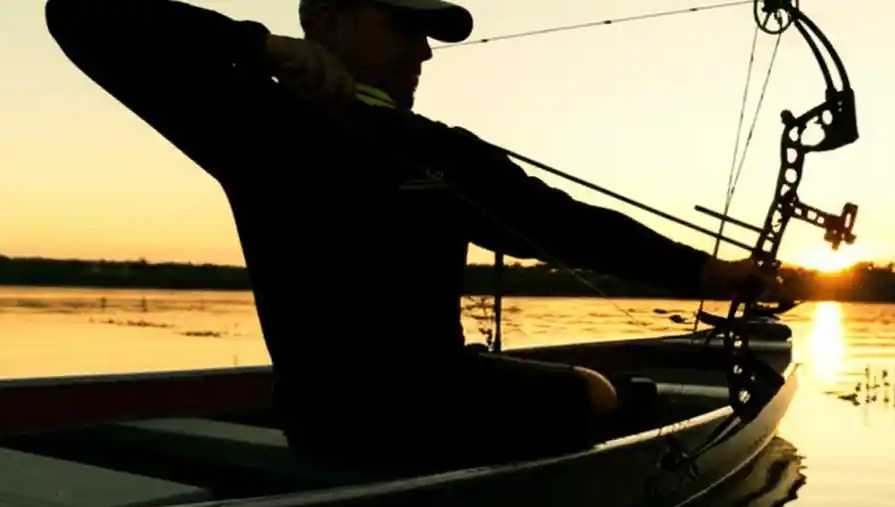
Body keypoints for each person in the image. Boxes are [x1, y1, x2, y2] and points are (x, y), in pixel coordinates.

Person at [44, 0, 791, 470]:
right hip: (375, 418)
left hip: (381, 414)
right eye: (404, 26)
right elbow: (79, 12)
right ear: (327, 20)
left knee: (595, 389)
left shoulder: (440, 149)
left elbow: (562, 224)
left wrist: (705, 272)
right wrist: (258, 46)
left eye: (428, 35)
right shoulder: (261, 123)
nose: (424, 52)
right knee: (598, 392)